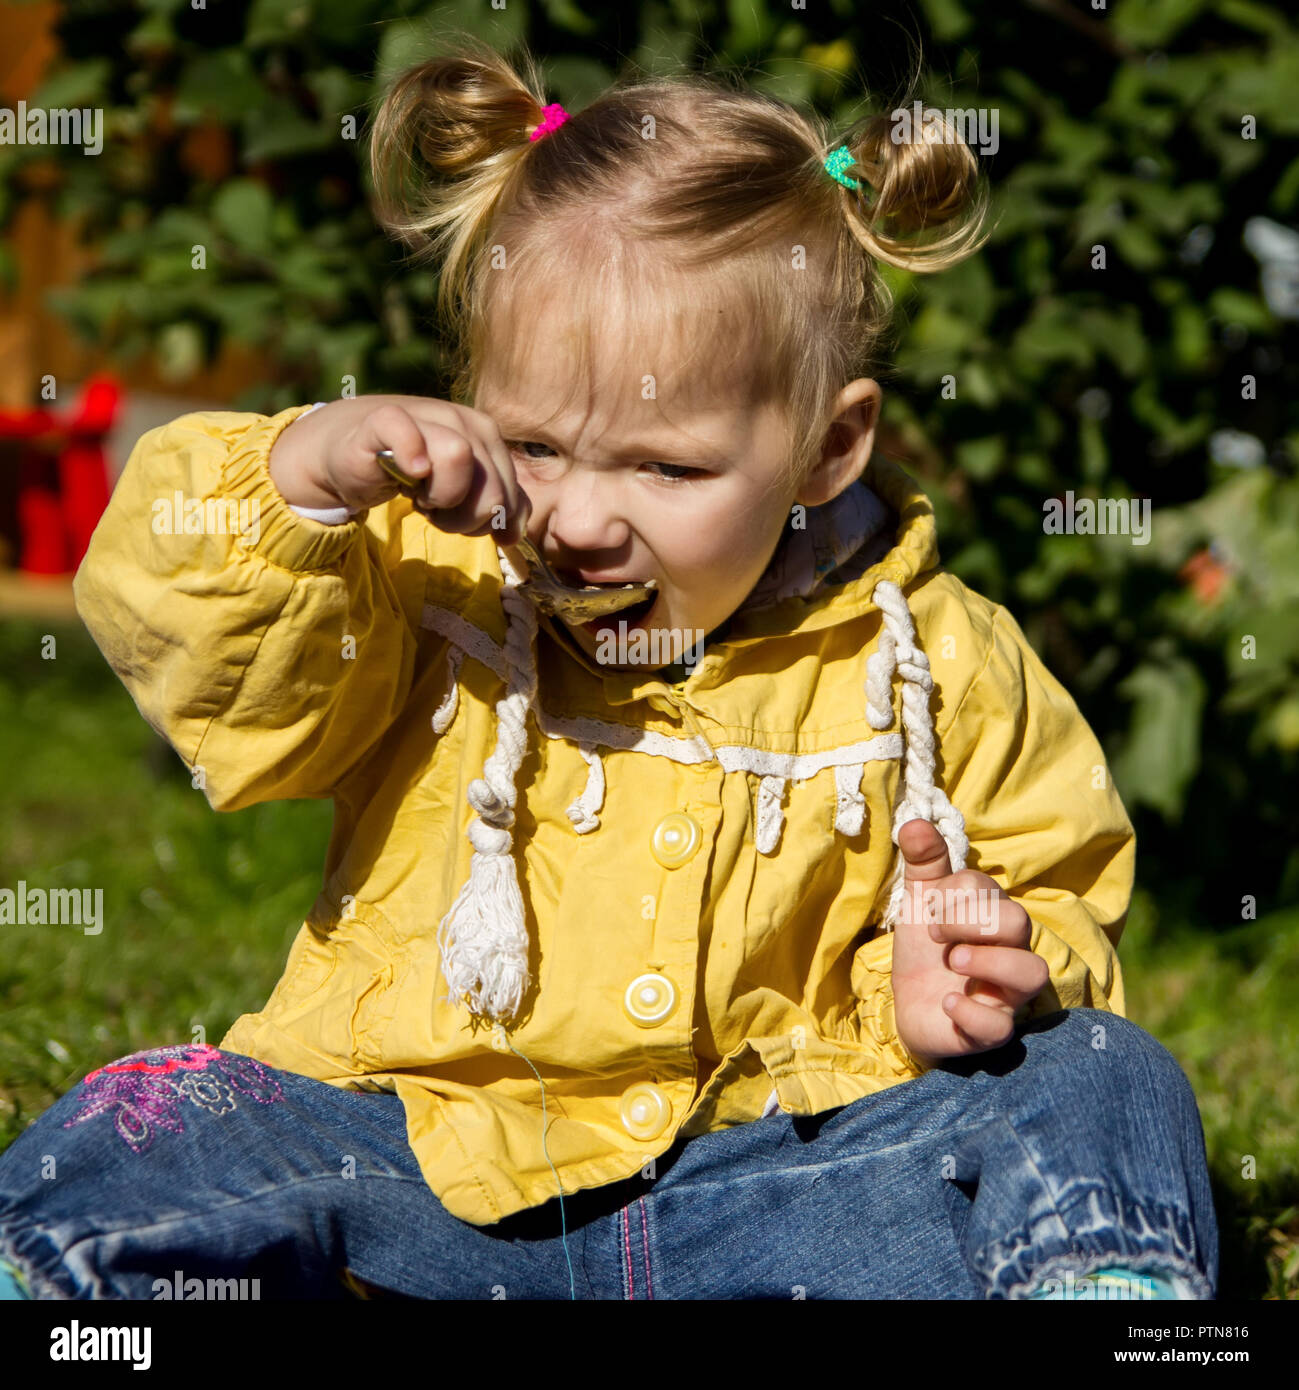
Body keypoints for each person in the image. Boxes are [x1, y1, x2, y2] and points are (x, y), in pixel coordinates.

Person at [0, 37, 1217, 1300]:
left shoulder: (940, 664)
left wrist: (963, 982)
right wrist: (304, 477)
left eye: (666, 469)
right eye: (534, 444)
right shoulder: (430, 580)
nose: (578, 517)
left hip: (777, 1190)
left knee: (1100, 1076)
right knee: (170, 1112)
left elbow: (1052, 889)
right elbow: (233, 689)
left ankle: (1098, 1289)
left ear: (828, 448)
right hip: (414, 1165)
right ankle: (61, 1285)